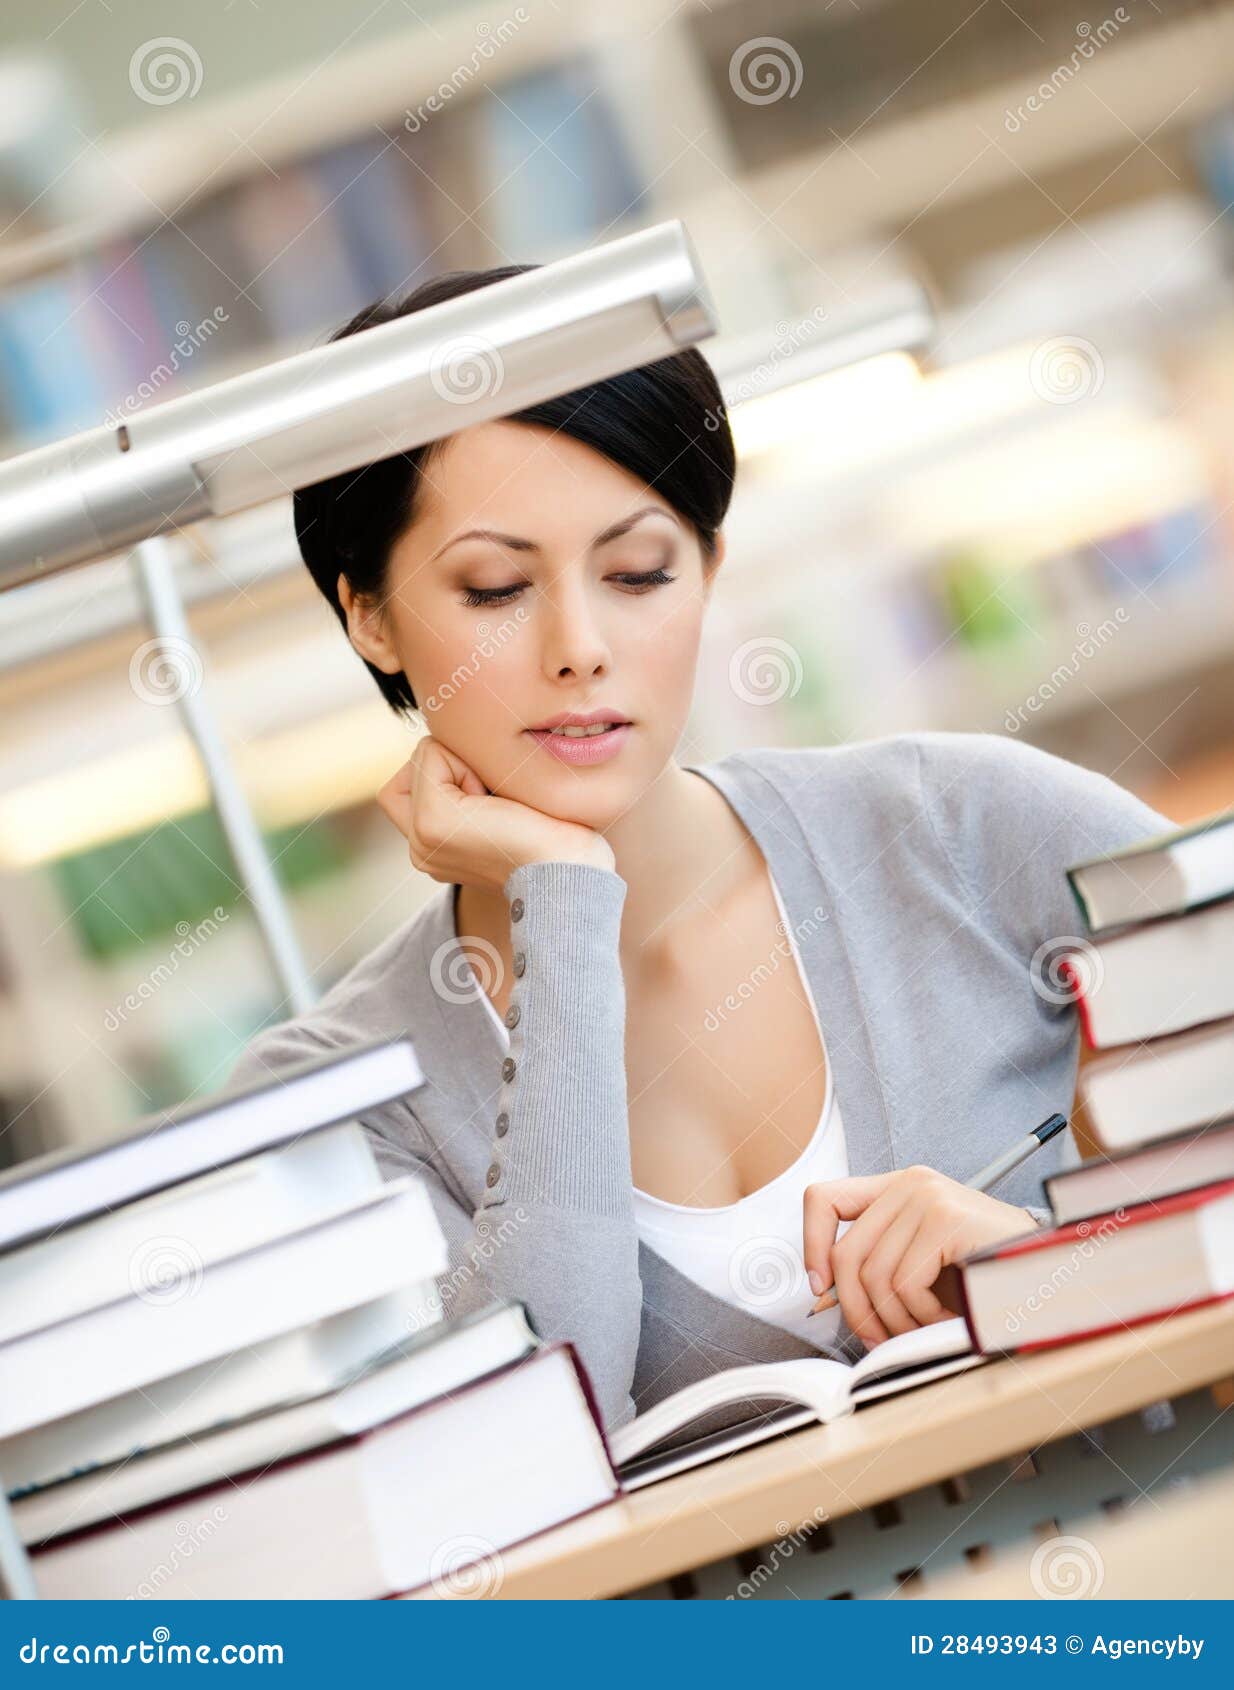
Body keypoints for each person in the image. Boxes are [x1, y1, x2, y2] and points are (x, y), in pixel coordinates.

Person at [224, 265, 1167, 1438]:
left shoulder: (972, 824)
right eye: (495, 587)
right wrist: (560, 906)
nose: (579, 647)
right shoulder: (343, 1095)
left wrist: (1057, 1266)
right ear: (367, 613)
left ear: (708, 570)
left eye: (636, 573)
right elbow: (517, 1455)